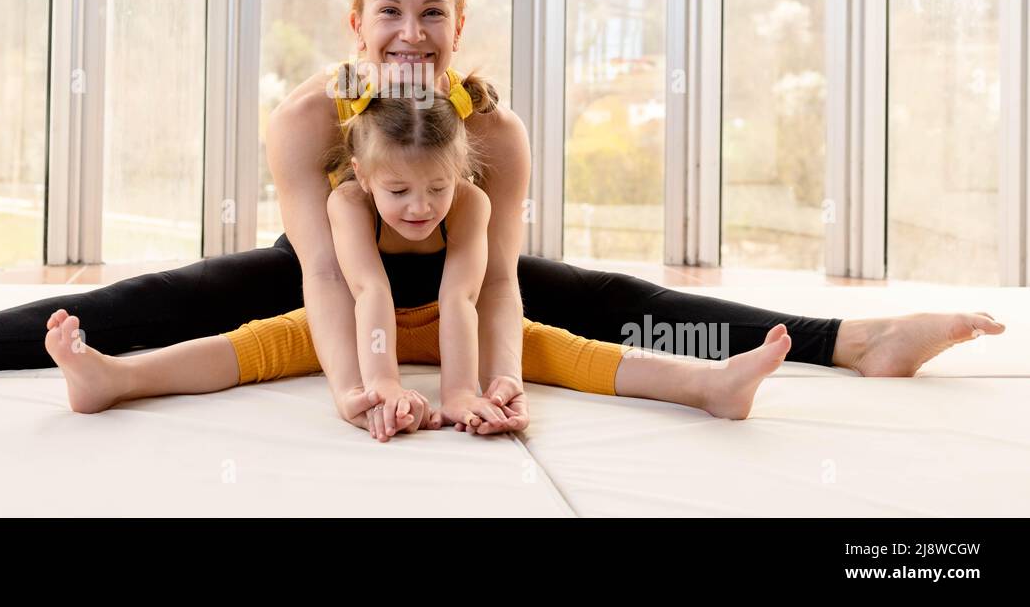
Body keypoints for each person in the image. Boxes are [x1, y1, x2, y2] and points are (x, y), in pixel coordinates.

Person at [0, 0, 1006, 438]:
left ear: (459, 22)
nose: (412, 30)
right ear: (357, 16)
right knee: (168, 295)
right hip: (342, 267)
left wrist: (483, 374)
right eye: (389, 11)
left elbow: (497, 273)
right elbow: (318, 265)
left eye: (434, 12)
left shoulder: (492, 134)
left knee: (612, 298)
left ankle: (860, 337)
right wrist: (361, 384)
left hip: (456, 265)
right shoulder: (311, 119)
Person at [39, 65, 795, 440]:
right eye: (398, 193)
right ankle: (113, 378)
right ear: (364, 177)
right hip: (362, 328)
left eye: (433, 190)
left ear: (458, 174)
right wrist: (375, 388)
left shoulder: (469, 203)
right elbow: (362, 295)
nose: (419, 209)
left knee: (564, 351)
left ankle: (710, 386)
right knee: (251, 346)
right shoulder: (345, 202)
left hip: (442, 320)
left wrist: (465, 391)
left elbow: (468, 297)